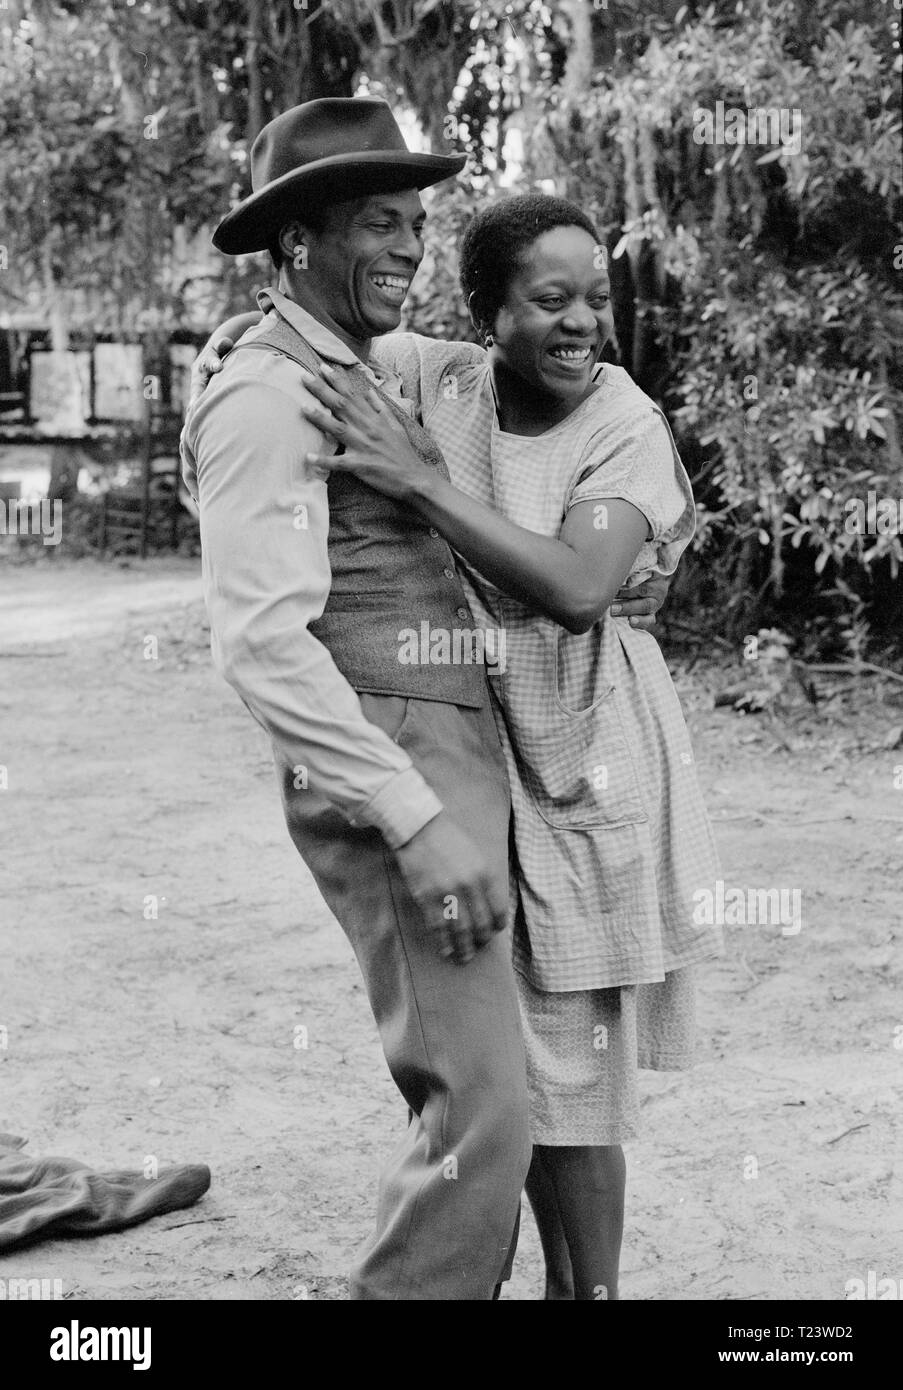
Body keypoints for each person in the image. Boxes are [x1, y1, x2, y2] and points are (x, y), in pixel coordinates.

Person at [182, 101, 668, 1300]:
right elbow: (260, 642)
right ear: (298, 241)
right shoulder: (276, 391)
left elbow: (579, 574)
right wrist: (414, 816)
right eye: (376, 223)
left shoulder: (361, 365)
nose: (405, 246)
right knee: (482, 1110)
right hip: (396, 752)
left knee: (517, 1091)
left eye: (413, 222)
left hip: (482, 749)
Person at [278, 193, 725, 1301]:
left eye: (594, 299)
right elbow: (319, 336)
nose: (581, 324)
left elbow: (577, 589)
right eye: (548, 299)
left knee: (574, 1074)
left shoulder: (622, 424)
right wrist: (242, 339)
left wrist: (422, 483)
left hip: (586, 757)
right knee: (512, 1061)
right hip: (480, 750)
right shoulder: (440, 378)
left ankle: (591, 1294)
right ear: (485, 316)